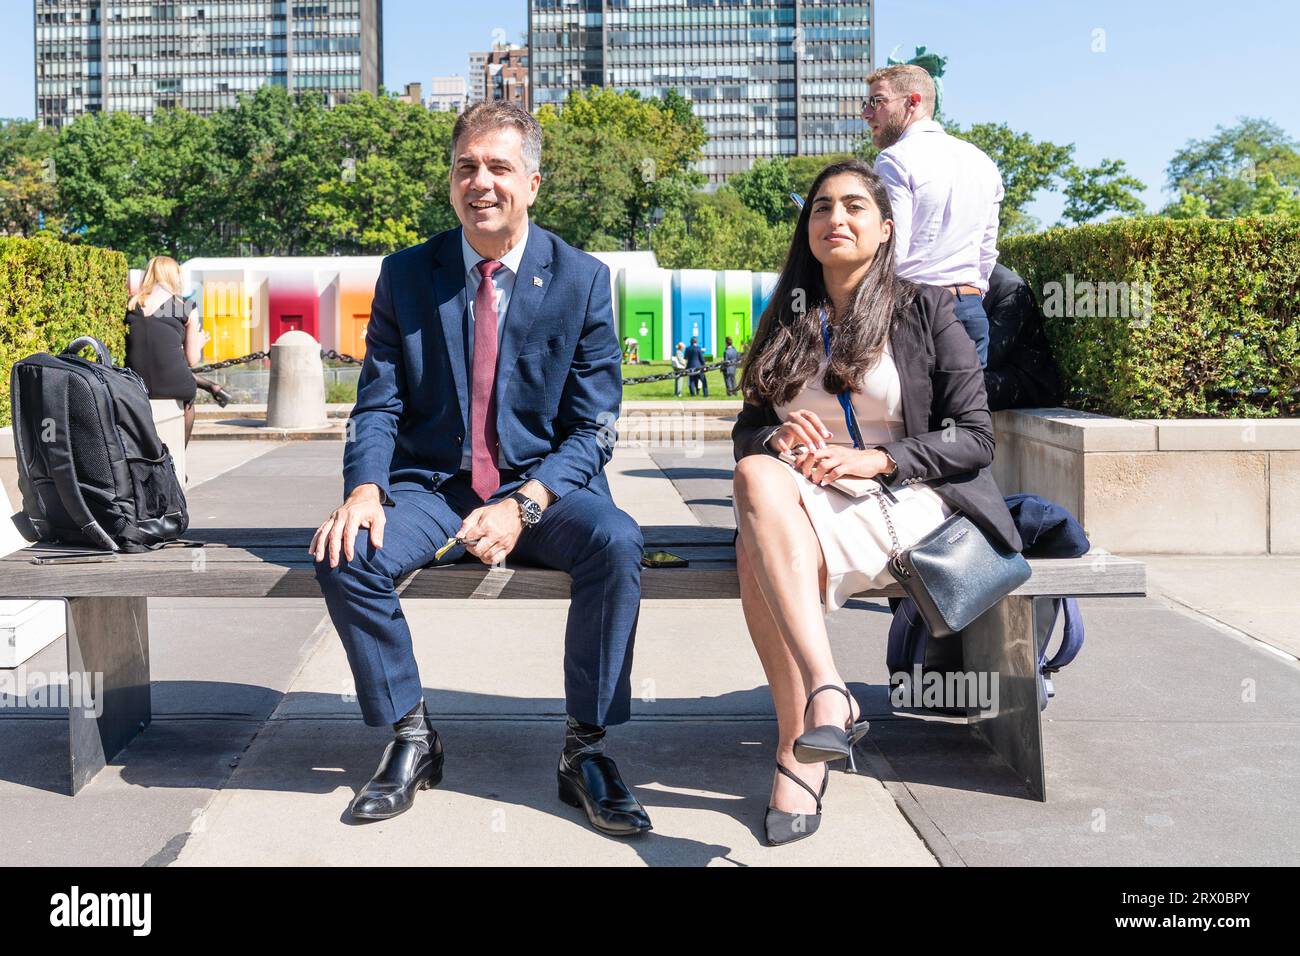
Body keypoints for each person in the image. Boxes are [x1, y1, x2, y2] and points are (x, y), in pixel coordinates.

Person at [309, 102, 651, 836]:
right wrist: (365, 488)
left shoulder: (582, 279)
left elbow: (595, 427)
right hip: (435, 483)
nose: (481, 182)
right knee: (346, 553)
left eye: (499, 167)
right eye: (466, 167)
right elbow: (378, 405)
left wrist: (523, 505)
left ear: (532, 182)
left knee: (617, 543)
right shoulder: (407, 274)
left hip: (545, 487)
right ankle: (411, 737)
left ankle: (585, 748)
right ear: (451, 181)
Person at [731, 159, 1021, 846]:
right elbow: (748, 432)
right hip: (806, 499)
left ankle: (794, 752)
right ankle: (826, 693)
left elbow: (975, 438)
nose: (836, 218)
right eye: (823, 208)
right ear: (808, 229)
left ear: (885, 228)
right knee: (753, 476)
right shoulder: (787, 315)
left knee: (753, 556)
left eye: (855, 206)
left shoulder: (925, 309)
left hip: (912, 503)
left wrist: (880, 458)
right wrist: (777, 434)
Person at [863, 64, 1003, 367]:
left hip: (914, 309)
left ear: (913, 101)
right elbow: (986, 252)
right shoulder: (982, 162)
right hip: (970, 310)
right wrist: (971, 294)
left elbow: (891, 250)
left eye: (878, 101)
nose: (866, 113)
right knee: (969, 411)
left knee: (913, 414)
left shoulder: (893, 160)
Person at [124, 255, 230, 447]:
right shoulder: (186, 307)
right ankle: (179, 458)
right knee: (189, 404)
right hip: (175, 385)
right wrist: (198, 343)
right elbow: (192, 360)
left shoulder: (130, 305)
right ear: (175, 276)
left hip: (134, 383)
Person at [982, 263, 1064, 410]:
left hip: (1029, 382)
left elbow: (991, 355)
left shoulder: (1010, 288)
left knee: (959, 386)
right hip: (997, 371)